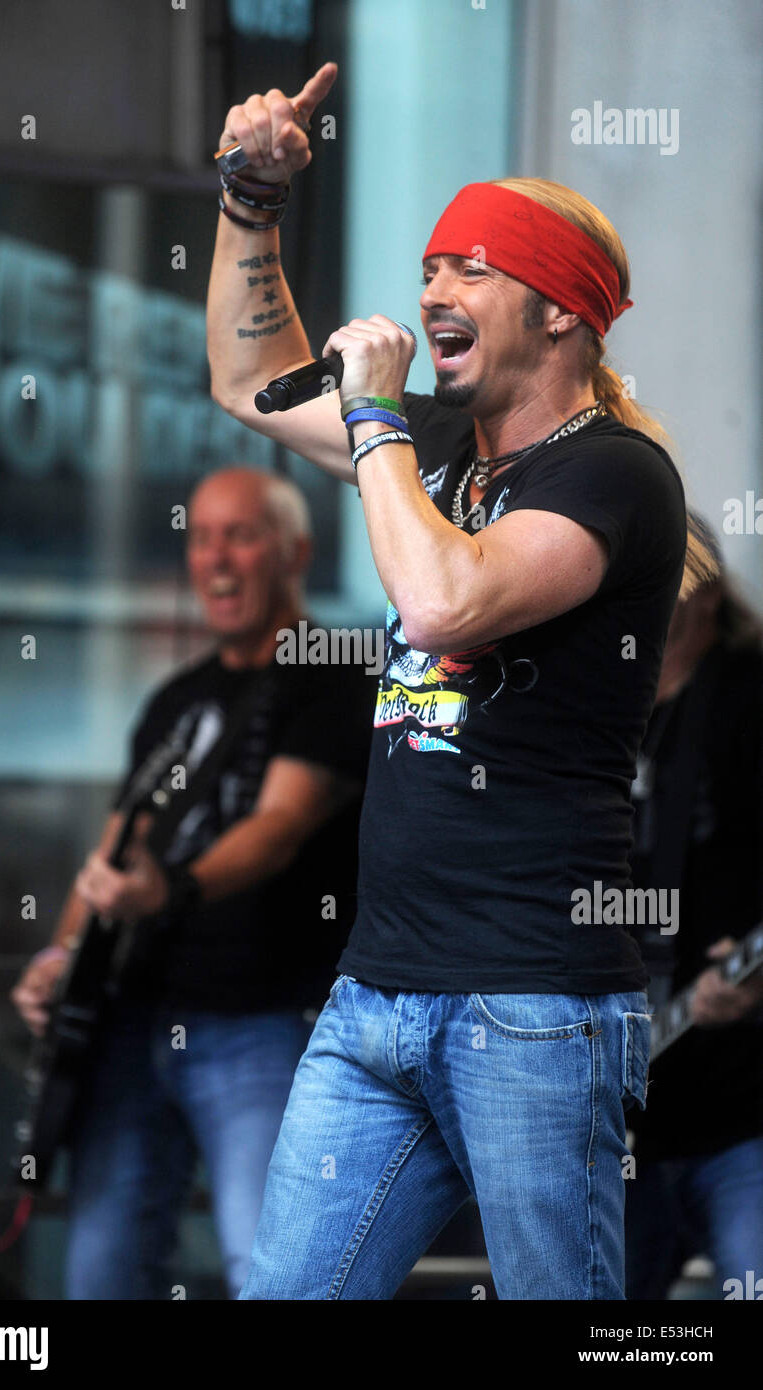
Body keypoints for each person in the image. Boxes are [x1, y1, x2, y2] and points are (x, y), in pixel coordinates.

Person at [206, 61, 716, 1300]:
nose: (433, 286)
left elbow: (445, 599)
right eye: (429, 264)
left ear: (559, 313)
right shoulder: (434, 445)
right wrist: (248, 205)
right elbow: (243, 376)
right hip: (377, 994)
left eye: (471, 268)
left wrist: (375, 416)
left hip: (531, 1004)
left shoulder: (612, 477)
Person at [12, 467, 374, 1299]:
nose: (217, 557)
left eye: (241, 534)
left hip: (263, 1022)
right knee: (103, 1277)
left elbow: (278, 829)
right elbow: (112, 857)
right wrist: (61, 957)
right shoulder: (177, 698)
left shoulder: (336, 669)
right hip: (135, 1019)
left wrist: (165, 890)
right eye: (202, 536)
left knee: (275, 1272)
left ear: (297, 552)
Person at [624, 519, 763, 1299]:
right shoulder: (600, 707)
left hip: (743, 1106)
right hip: (623, 1117)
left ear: (707, 589)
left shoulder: (748, 693)